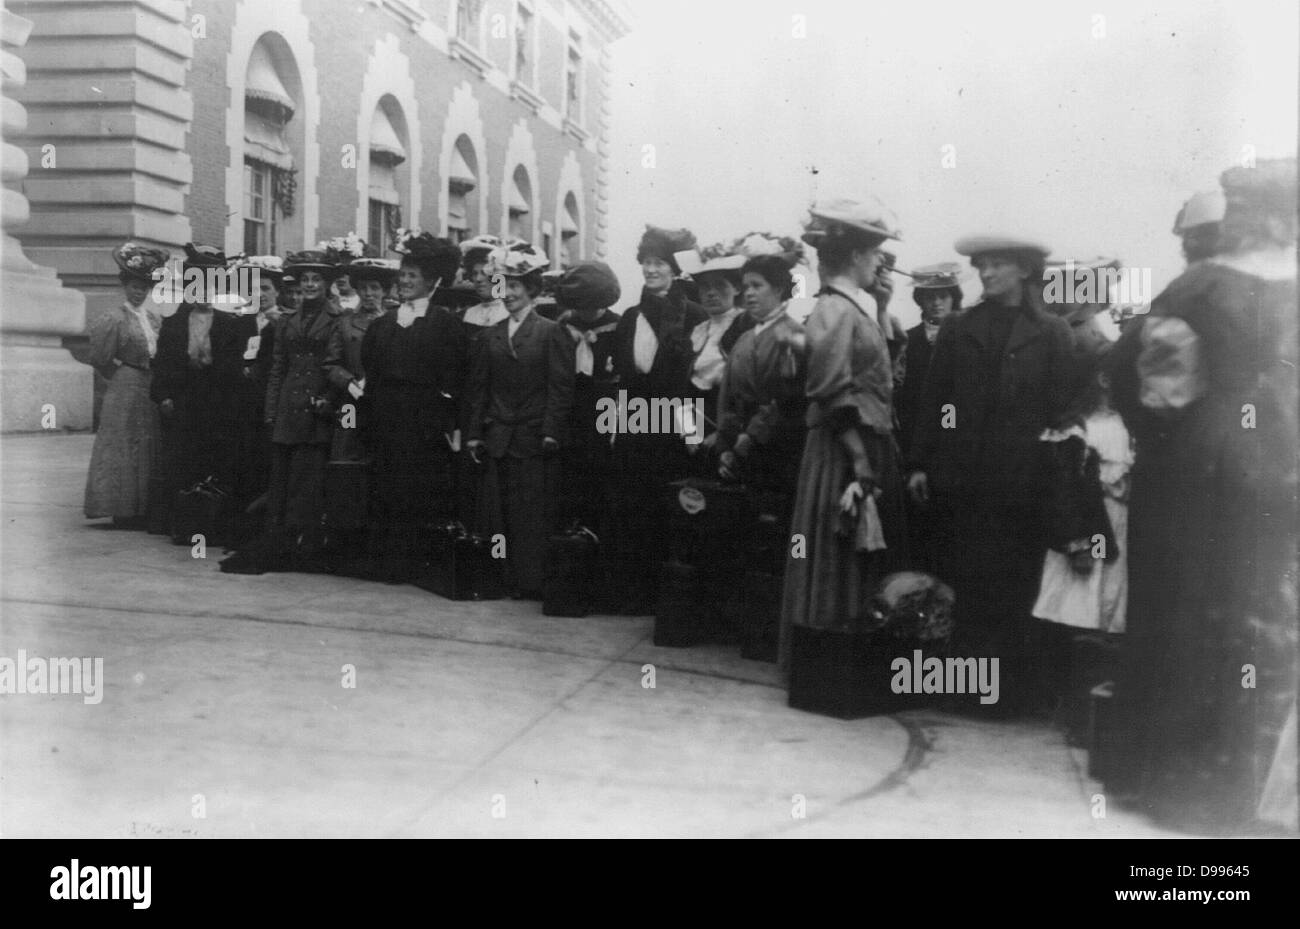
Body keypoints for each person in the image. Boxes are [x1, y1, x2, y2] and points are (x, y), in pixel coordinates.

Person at [1104, 158, 1297, 833]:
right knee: (1264, 612)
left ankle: (1178, 783)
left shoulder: (1197, 290)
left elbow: (1160, 391)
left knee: (1183, 610)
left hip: (1200, 469)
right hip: (1284, 470)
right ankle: (1258, 790)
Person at [907, 233, 1074, 716]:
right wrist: (921, 462)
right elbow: (936, 403)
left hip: (1025, 484)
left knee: (1016, 585)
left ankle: (1010, 698)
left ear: (1024, 270)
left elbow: (1063, 415)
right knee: (969, 582)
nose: (986, 274)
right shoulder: (961, 328)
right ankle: (964, 693)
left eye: (997, 265)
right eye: (982, 266)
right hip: (966, 481)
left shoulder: (1053, 333)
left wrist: (1054, 477)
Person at [780, 197, 909, 671]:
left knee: (852, 554)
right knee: (840, 550)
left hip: (859, 444)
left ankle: (847, 666)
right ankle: (827, 669)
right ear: (855, 256)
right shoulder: (834, 310)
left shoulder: (853, 307)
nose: (880, 262)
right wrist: (859, 460)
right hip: (844, 451)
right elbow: (831, 393)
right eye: (875, 254)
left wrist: (883, 306)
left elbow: (873, 373)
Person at [1030, 348, 1132, 738]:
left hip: (1119, 528)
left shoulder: (1130, 425)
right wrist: (1078, 541)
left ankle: (1094, 712)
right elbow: (1065, 489)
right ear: (1105, 379)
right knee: (1082, 606)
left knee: (1108, 609)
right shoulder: (1079, 428)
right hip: (1091, 529)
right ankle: (1070, 708)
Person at [465, 243, 575, 598]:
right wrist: (472, 434)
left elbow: (560, 387)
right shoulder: (490, 334)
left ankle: (529, 580)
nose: (507, 293)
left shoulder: (549, 331)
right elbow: (478, 389)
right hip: (497, 435)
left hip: (531, 437)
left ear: (531, 289)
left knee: (529, 514)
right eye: (502, 284)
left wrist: (551, 431)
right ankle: (499, 575)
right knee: (495, 515)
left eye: (515, 286)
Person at [608, 224, 707, 613]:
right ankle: (630, 593)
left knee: (667, 504)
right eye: (646, 263)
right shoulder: (631, 317)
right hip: (635, 420)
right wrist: (614, 427)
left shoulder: (694, 315)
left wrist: (691, 432)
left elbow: (694, 382)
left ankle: (666, 596)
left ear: (674, 268)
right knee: (630, 504)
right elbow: (621, 378)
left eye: (659, 263)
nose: (651, 270)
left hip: (674, 422)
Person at [360, 231, 468, 582]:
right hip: (386, 419)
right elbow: (370, 373)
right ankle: (384, 562)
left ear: (432, 282)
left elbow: (454, 378)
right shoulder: (382, 325)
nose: (404, 282)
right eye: (402, 275)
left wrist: (446, 421)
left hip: (424, 423)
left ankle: (416, 563)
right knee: (384, 487)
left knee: (419, 490)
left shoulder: (446, 325)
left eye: (412, 277)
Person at [151, 243, 259, 523]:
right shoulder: (174, 323)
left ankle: (213, 519)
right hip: (185, 397)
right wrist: (163, 396)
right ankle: (180, 519)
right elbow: (163, 363)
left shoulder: (234, 323)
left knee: (217, 457)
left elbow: (242, 364)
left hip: (219, 399)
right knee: (183, 457)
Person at [263, 249, 346, 566]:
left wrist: (328, 400)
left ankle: (306, 545)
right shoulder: (287, 322)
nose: (310, 285)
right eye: (305, 280)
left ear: (326, 285)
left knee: (309, 477)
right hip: (289, 404)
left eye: (316, 280)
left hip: (317, 408)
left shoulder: (338, 320)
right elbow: (277, 368)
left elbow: (336, 365)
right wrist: (271, 410)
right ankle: (282, 540)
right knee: (283, 477)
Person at [84, 242, 169, 526]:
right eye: (134, 286)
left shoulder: (154, 318)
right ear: (125, 286)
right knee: (123, 444)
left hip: (150, 384)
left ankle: (143, 508)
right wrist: (123, 375)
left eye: (143, 287)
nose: (138, 292)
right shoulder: (114, 319)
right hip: (125, 384)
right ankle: (121, 509)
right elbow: (100, 358)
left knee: (146, 444)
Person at [553, 260, 622, 535]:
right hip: (571, 407)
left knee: (601, 474)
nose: (585, 312)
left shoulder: (619, 326)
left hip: (605, 407)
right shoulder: (563, 325)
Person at [323, 257, 398, 463]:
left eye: (374, 288)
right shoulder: (345, 323)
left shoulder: (396, 322)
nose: (368, 293)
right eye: (363, 288)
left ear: (384, 291)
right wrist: (350, 383)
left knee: (383, 452)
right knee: (345, 450)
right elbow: (331, 364)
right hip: (350, 402)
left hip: (385, 401)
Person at [688, 249, 754, 454]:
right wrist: (688, 432)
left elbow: (750, 391)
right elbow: (682, 391)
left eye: (719, 285)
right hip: (696, 433)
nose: (711, 293)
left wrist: (724, 435)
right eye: (705, 287)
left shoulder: (746, 327)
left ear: (736, 288)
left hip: (735, 431)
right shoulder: (697, 332)